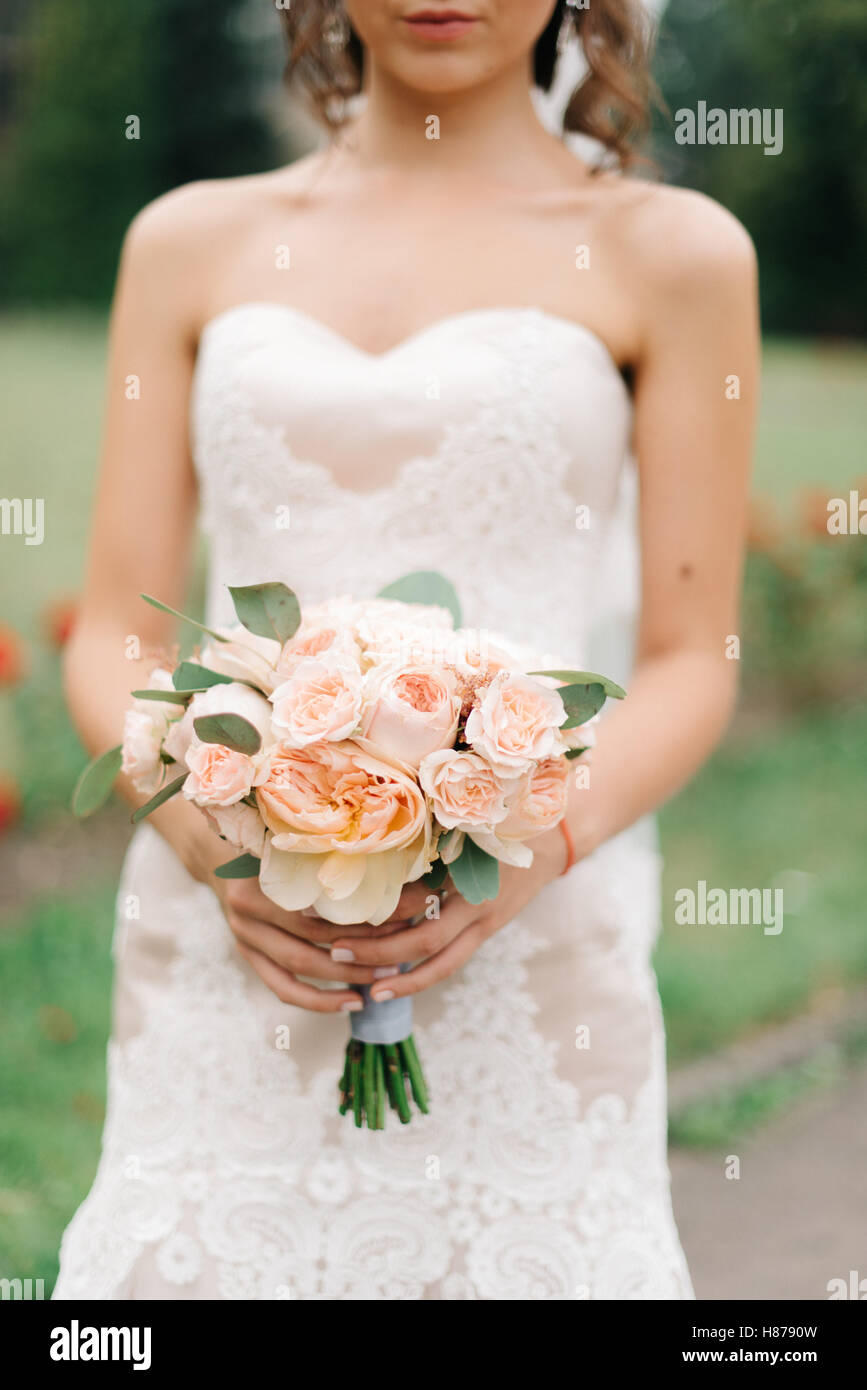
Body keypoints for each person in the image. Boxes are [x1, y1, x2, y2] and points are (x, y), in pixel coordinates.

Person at [55, 0, 758, 1300]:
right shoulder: (189, 240)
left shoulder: (677, 255)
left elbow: (692, 656)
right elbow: (111, 628)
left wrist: (526, 846)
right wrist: (220, 849)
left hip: (530, 927)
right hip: (231, 930)